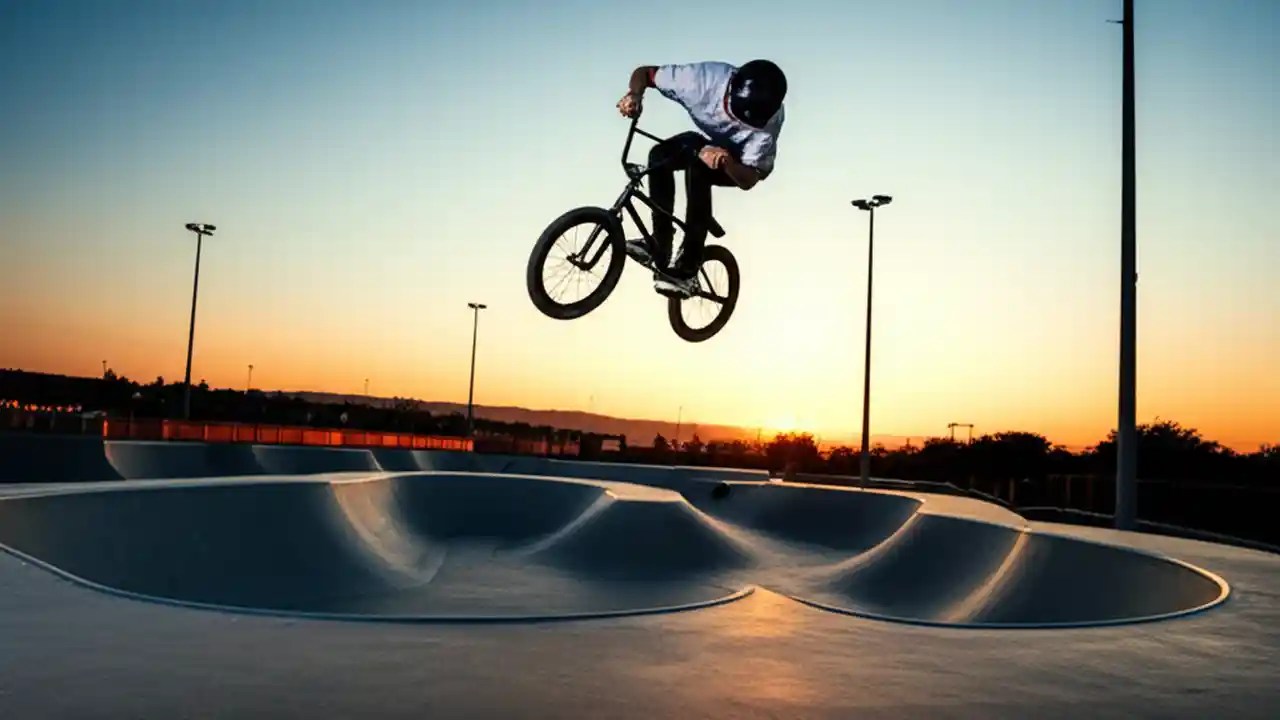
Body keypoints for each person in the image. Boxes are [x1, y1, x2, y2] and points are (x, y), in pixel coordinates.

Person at [616, 60, 786, 297]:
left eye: (751, 121)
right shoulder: (700, 81)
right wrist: (634, 95)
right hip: (706, 144)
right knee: (660, 155)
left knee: (699, 171)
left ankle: (688, 267)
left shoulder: (768, 126)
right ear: (730, 90)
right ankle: (660, 243)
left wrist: (725, 161)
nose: (743, 124)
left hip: (742, 164)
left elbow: (749, 179)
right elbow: (645, 73)